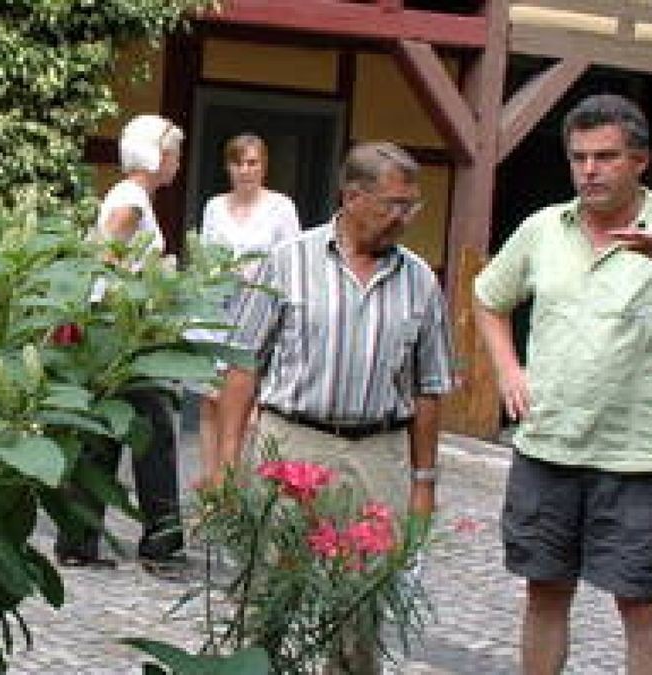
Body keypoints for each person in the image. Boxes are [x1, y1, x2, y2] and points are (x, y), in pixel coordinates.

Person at [215, 141, 454, 672]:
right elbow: (242, 365)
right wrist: (229, 464)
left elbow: (430, 387)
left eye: (413, 206)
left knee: (361, 611)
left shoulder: (420, 280)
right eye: (395, 204)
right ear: (352, 196)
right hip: (291, 444)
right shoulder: (286, 263)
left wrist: (423, 483)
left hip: (378, 453)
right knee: (267, 599)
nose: (406, 218)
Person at [475, 93, 652, 675]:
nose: (589, 171)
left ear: (640, 161)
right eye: (579, 158)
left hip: (638, 455)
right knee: (545, 593)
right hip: (548, 445)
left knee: (642, 605)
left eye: (606, 157)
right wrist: (507, 369)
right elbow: (488, 298)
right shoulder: (545, 228)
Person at [55, 113, 187, 575]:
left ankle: (79, 538)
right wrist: (135, 287)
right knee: (152, 433)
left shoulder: (128, 194)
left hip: (109, 329)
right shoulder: (131, 199)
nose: (177, 162)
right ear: (158, 156)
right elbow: (107, 250)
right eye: (173, 153)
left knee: (104, 434)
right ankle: (161, 539)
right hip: (123, 329)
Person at [194, 133, 300, 488]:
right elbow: (205, 257)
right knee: (210, 401)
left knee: (243, 408)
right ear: (228, 167)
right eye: (238, 163)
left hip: (258, 314)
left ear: (263, 166)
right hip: (217, 311)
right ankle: (209, 481)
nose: (245, 170)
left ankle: (232, 486)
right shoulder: (214, 206)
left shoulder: (281, 207)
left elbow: (291, 260)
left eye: (252, 162)